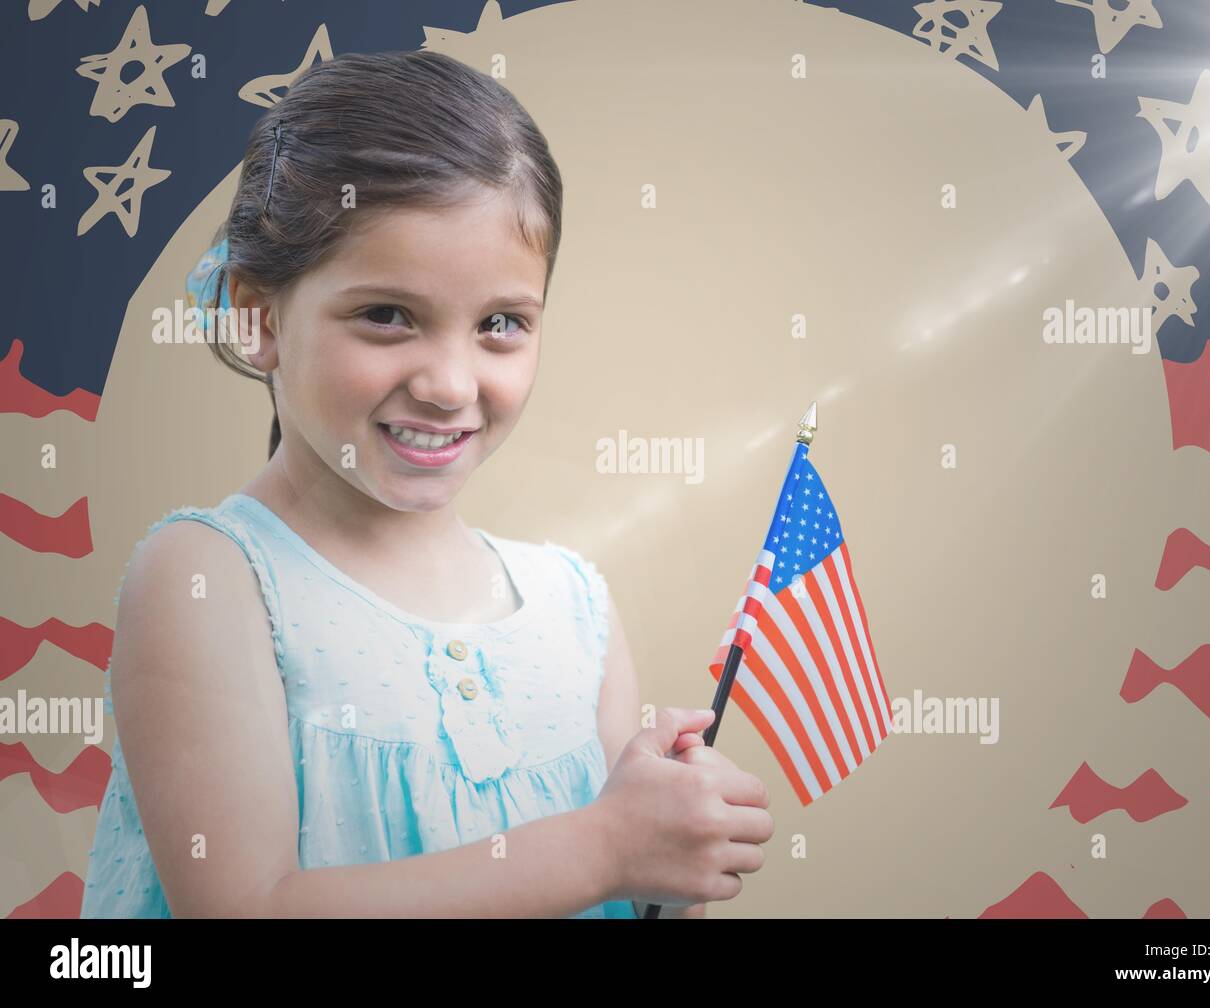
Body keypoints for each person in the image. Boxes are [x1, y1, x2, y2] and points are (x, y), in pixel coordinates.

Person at [79, 49, 772, 919]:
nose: (450, 383)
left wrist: (666, 860)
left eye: (500, 325)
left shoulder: (576, 609)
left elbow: (609, 895)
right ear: (258, 316)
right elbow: (244, 907)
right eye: (387, 315)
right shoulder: (209, 581)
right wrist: (602, 847)